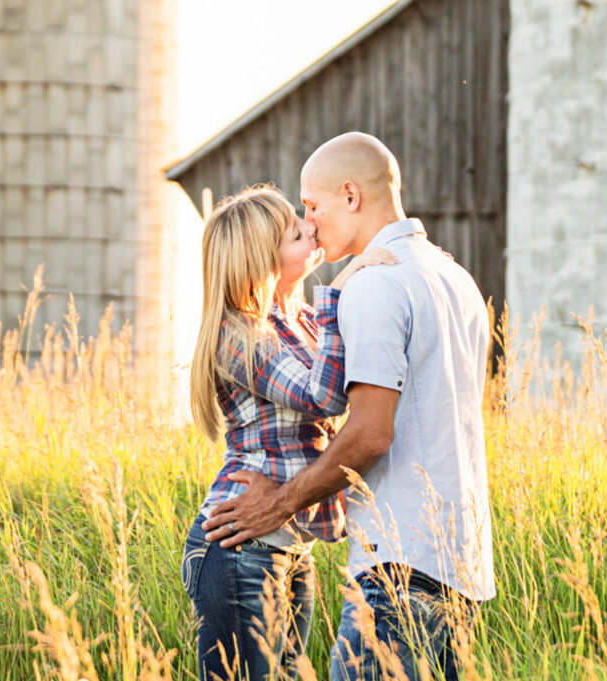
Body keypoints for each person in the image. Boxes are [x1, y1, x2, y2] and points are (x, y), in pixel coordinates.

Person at [201, 133, 496, 681]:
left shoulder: (373, 286)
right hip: (459, 562)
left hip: (399, 559)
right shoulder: (456, 277)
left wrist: (281, 503)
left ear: (351, 196)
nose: (310, 224)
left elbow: (367, 432)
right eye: (299, 220)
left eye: (311, 207)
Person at [182, 185, 396, 681]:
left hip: (289, 542)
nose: (311, 228)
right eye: (296, 234)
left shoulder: (303, 322)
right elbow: (323, 398)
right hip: (240, 545)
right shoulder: (239, 336)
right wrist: (343, 284)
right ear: (261, 261)